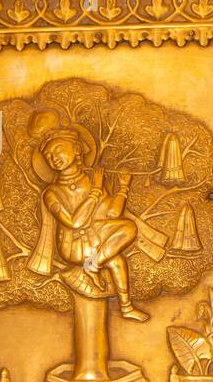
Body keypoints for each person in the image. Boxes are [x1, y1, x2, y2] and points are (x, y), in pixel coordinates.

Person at [28, 124, 150, 321]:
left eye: (58, 150)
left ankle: (126, 307)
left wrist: (123, 188)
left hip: (96, 238)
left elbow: (112, 213)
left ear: (76, 149)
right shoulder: (51, 193)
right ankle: (92, 265)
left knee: (124, 239)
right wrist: (95, 191)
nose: (53, 157)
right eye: (49, 156)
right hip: (73, 246)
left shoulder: (92, 179)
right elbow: (75, 222)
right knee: (114, 255)